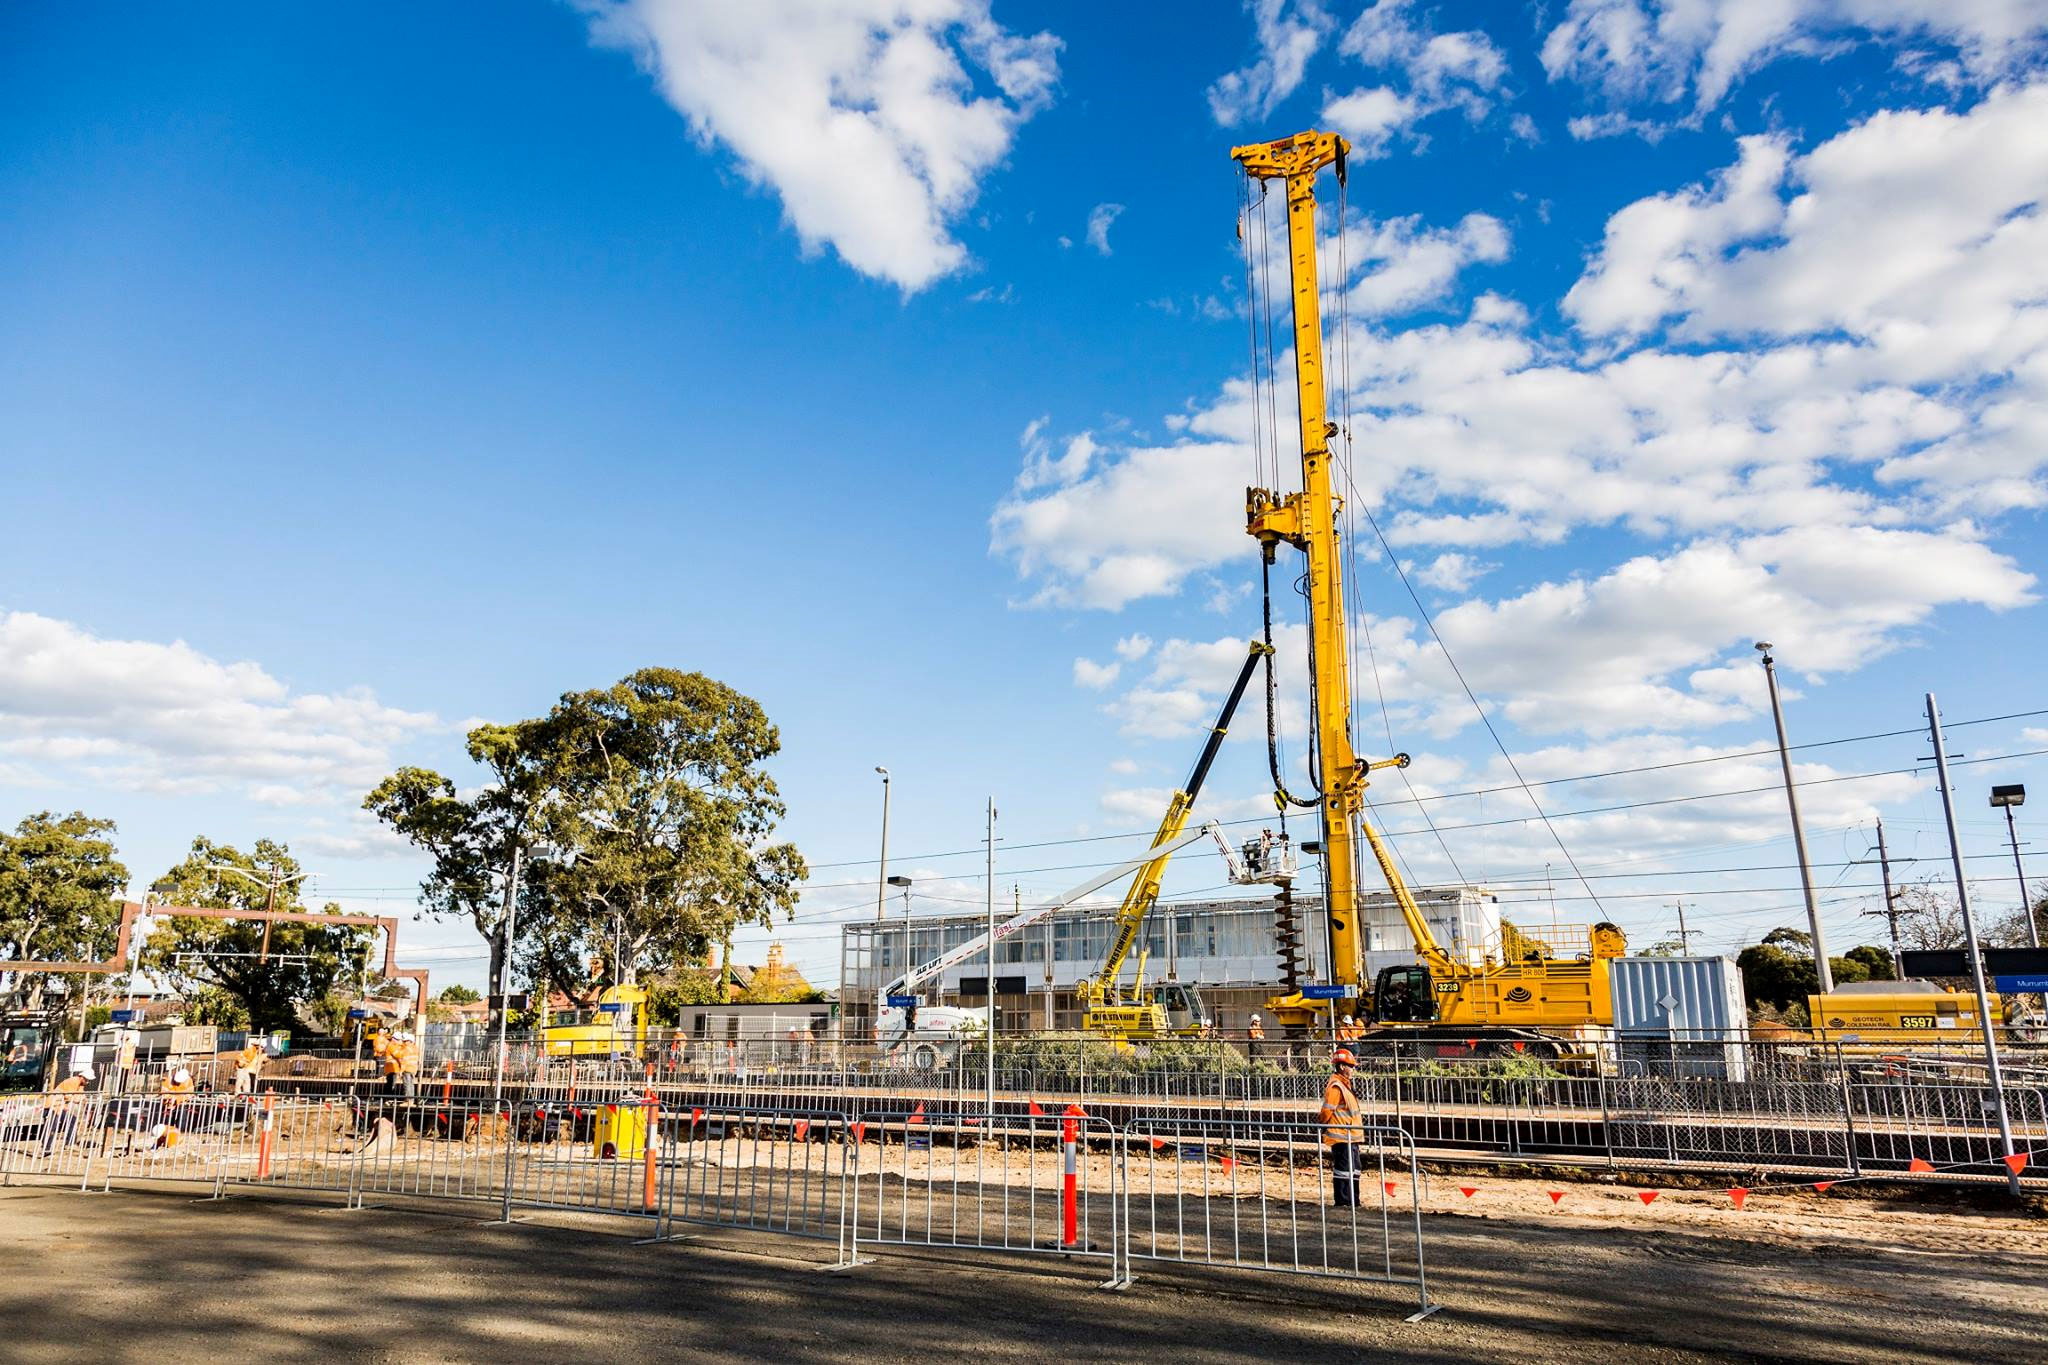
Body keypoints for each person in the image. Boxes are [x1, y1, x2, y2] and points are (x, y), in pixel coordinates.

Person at [1319, 1047, 1364, 1208]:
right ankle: (1343, 1201)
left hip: (1351, 1136)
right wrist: (1322, 1125)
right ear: (1342, 1066)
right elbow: (1327, 1111)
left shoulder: (1346, 1085)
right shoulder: (1336, 1086)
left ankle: (1353, 1200)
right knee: (1343, 1170)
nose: (1353, 1069)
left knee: (1354, 1170)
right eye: (1350, 1066)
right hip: (1342, 1136)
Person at [39, 1062, 94, 1156]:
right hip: (53, 1105)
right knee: (52, 1126)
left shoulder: (80, 1085)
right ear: (82, 1077)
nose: (88, 1082)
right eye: (87, 1079)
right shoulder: (73, 1081)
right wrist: (78, 1099)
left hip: (60, 1106)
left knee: (72, 1120)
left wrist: (86, 1103)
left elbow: (81, 1096)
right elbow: (69, 1096)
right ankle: (46, 1148)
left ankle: (70, 1143)